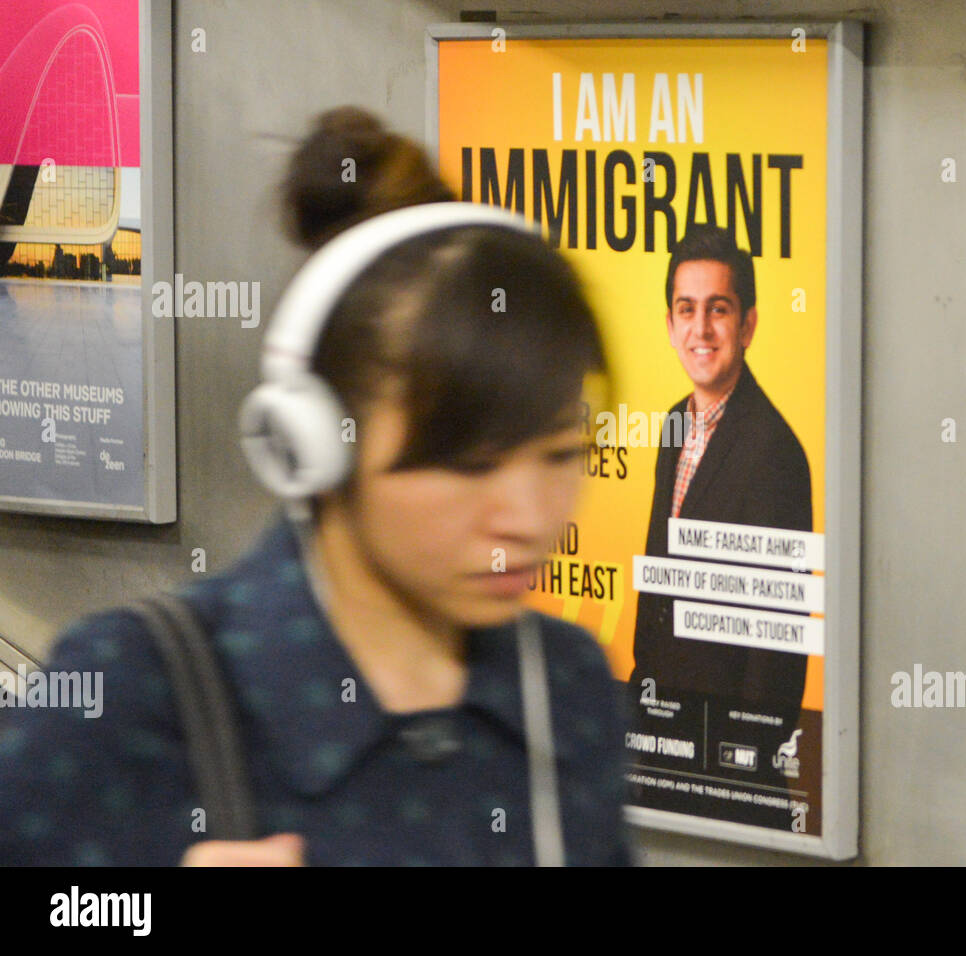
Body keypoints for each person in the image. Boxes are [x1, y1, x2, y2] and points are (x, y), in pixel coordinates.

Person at [0, 108, 630, 866]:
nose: (529, 518)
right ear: (313, 444)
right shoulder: (134, 689)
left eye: (563, 454)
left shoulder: (562, 686)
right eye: (468, 464)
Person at [629, 224, 812, 742]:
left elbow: (776, 649)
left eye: (719, 309)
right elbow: (658, 578)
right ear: (669, 325)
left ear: (748, 325)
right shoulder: (672, 424)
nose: (701, 329)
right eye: (687, 309)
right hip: (661, 732)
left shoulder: (775, 452)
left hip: (726, 756)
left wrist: (742, 755)